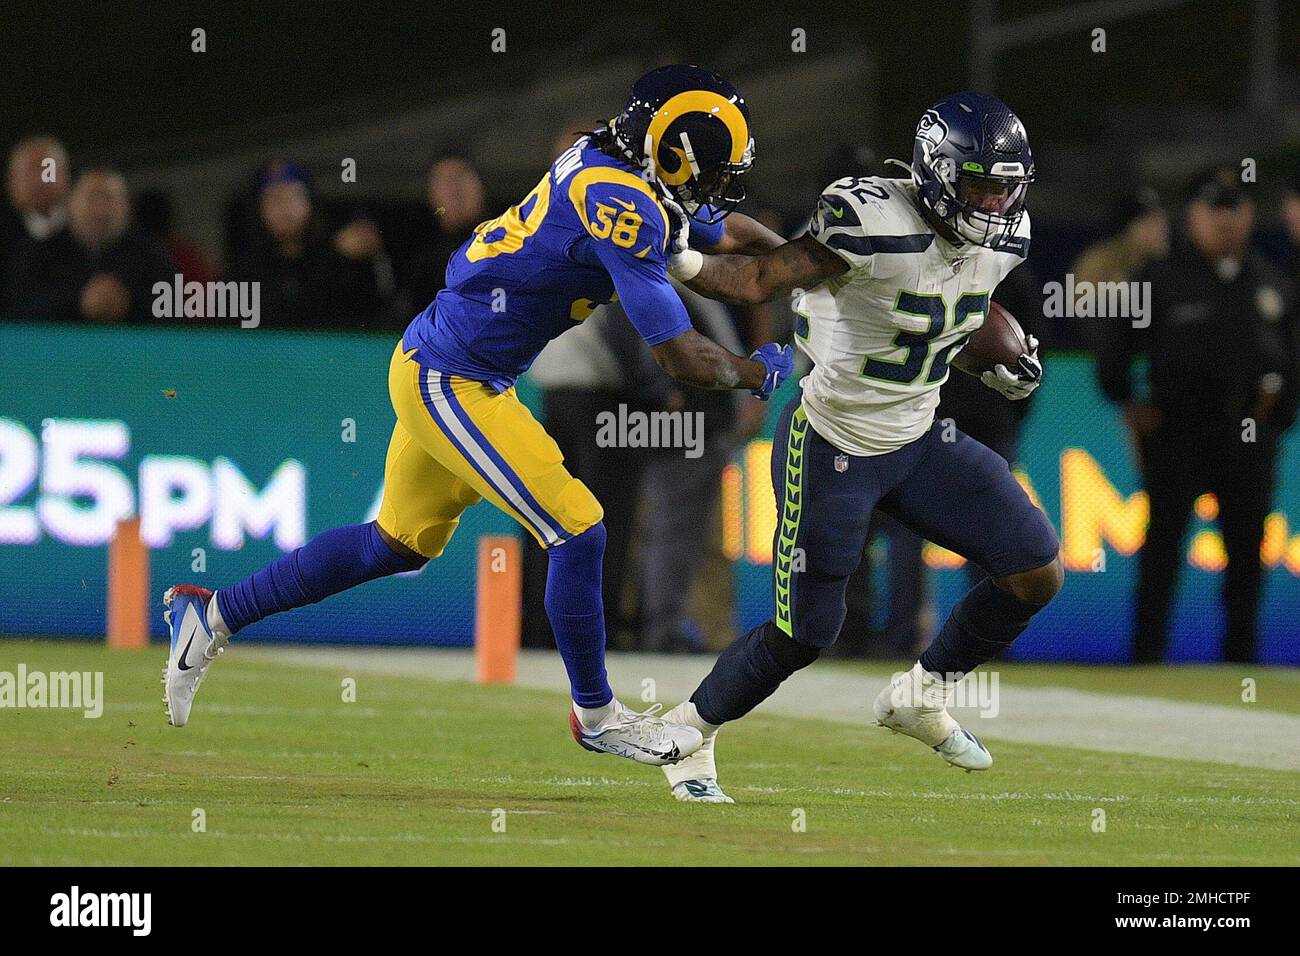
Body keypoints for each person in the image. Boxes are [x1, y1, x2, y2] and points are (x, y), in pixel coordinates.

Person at [159, 65, 794, 770]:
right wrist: (750, 373)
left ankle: (210, 615)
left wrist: (809, 260)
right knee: (578, 527)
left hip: (454, 366)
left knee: (394, 545)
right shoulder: (618, 198)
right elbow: (678, 354)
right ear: (668, 152)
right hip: (451, 379)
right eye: (710, 170)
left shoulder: (618, 167)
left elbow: (721, 237)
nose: (714, 186)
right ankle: (597, 716)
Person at [657, 92, 1063, 803]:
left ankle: (920, 693)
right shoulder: (869, 218)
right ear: (938, 173)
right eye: (979, 183)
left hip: (919, 437)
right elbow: (756, 277)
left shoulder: (1005, 236)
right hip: (833, 442)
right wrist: (670, 258)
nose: (995, 200)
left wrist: (990, 355)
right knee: (806, 633)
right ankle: (686, 736)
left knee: (1035, 570)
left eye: (1006, 185)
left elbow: (937, 316)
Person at [1099, 165, 1297, 663]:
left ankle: (1239, 663)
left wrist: (1281, 417)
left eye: (1237, 209)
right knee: (1162, 548)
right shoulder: (1160, 279)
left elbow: (1294, 359)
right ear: (1192, 216)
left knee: (1247, 554)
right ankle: (1145, 659)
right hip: (1178, 429)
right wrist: (1130, 402)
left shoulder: (1272, 282)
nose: (1227, 221)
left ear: (1251, 215)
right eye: (1215, 210)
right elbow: (1114, 348)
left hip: (1248, 432)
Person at [229, 161, 395, 328]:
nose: (284, 208)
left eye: (293, 196)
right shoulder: (244, 270)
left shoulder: (341, 261)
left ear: (310, 202)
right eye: (273, 198)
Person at [3, 168, 173, 324]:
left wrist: (127, 303)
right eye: (92, 197)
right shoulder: (39, 253)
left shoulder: (151, 255)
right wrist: (79, 302)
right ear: (70, 203)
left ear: (125, 207)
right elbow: (18, 310)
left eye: (110, 198)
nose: (101, 210)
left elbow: (175, 313)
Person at [1071, 187, 1170, 349]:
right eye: (1149, 221)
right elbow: (1092, 327)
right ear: (1129, 229)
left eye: (1160, 218)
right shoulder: (1098, 264)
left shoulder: (1173, 268)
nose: (1161, 227)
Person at [402, 153, 488, 314]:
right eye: (444, 180)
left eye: (461, 177)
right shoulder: (417, 254)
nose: (454, 189)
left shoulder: (509, 240)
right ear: (430, 193)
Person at [1, 136, 71, 304]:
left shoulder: (86, 232)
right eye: (31, 171)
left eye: (48, 170)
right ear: (11, 182)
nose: (41, 179)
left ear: (66, 175)